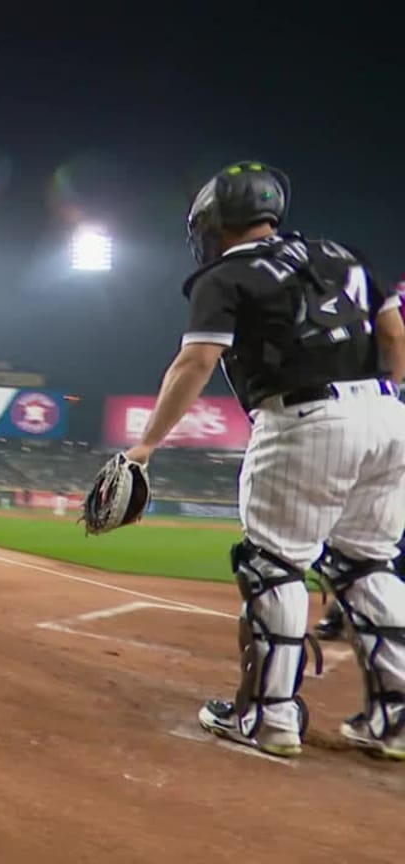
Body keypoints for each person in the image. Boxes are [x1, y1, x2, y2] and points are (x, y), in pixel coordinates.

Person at [121, 161, 405, 759]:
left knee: (272, 565)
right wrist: (392, 400)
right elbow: (395, 335)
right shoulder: (341, 256)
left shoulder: (225, 274)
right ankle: (397, 719)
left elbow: (197, 362)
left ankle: (268, 717)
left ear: (214, 222)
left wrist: (145, 446)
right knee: (367, 565)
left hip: (304, 418)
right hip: (387, 416)